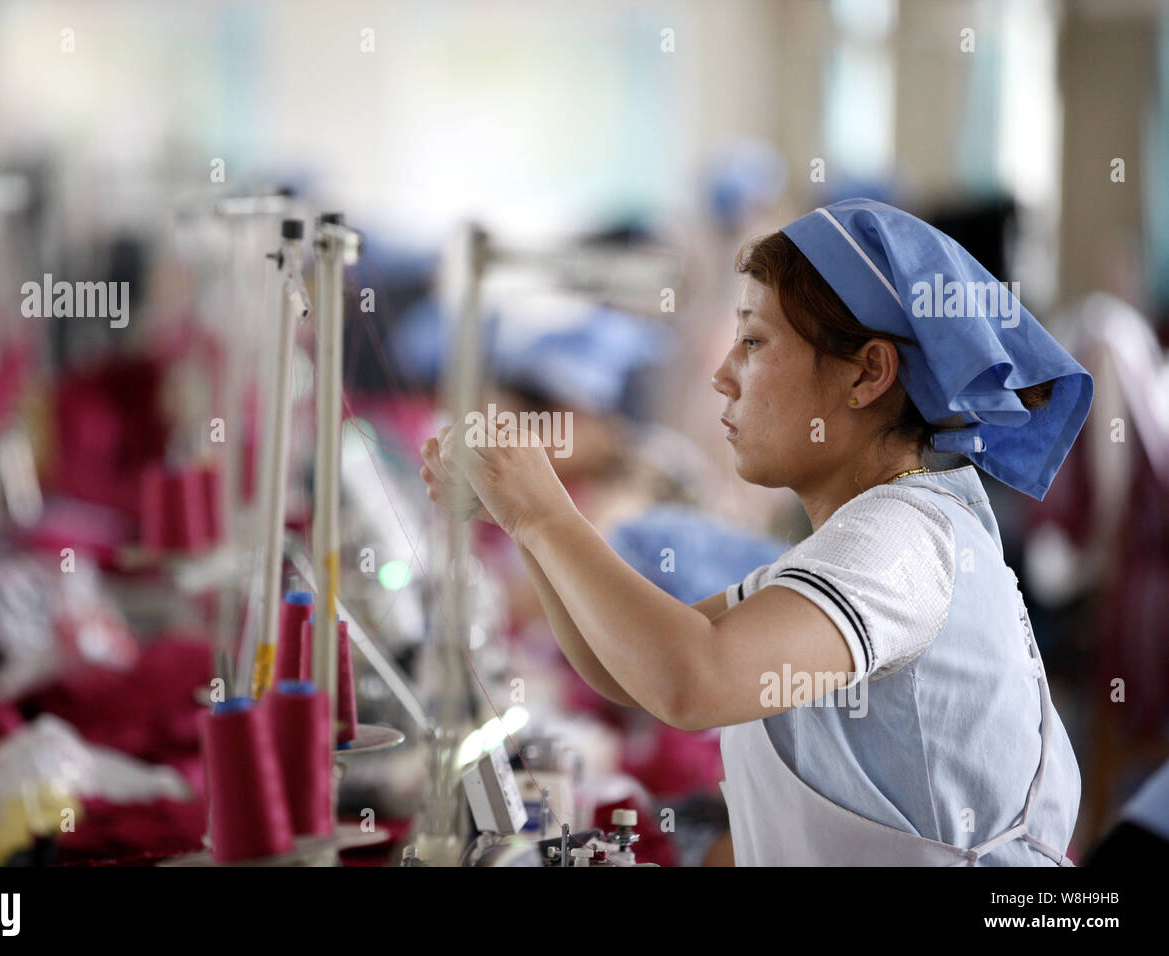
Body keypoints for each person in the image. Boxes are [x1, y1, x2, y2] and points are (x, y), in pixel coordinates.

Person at [420, 198, 1091, 866]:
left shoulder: (902, 539)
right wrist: (527, 523)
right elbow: (628, 672)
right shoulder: (862, 534)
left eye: (754, 343)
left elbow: (692, 680)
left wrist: (545, 515)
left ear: (866, 373)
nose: (721, 377)